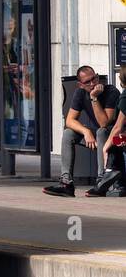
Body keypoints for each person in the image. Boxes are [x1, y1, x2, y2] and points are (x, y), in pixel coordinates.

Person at [45, 65, 120, 197]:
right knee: (68, 133)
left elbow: (105, 122)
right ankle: (66, 183)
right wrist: (86, 131)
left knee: (101, 131)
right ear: (80, 84)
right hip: (97, 137)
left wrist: (94, 98)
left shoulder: (111, 91)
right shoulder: (80, 93)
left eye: (94, 79)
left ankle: (101, 181)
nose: (93, 84)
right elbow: (69, 120)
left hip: (115, 137)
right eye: (88, 82)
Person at [92, 64, 126, 197]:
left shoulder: (124, 96)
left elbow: (117, 125)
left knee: (113, 140)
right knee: (116, 137)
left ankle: (108, 178)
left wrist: (105, 147)